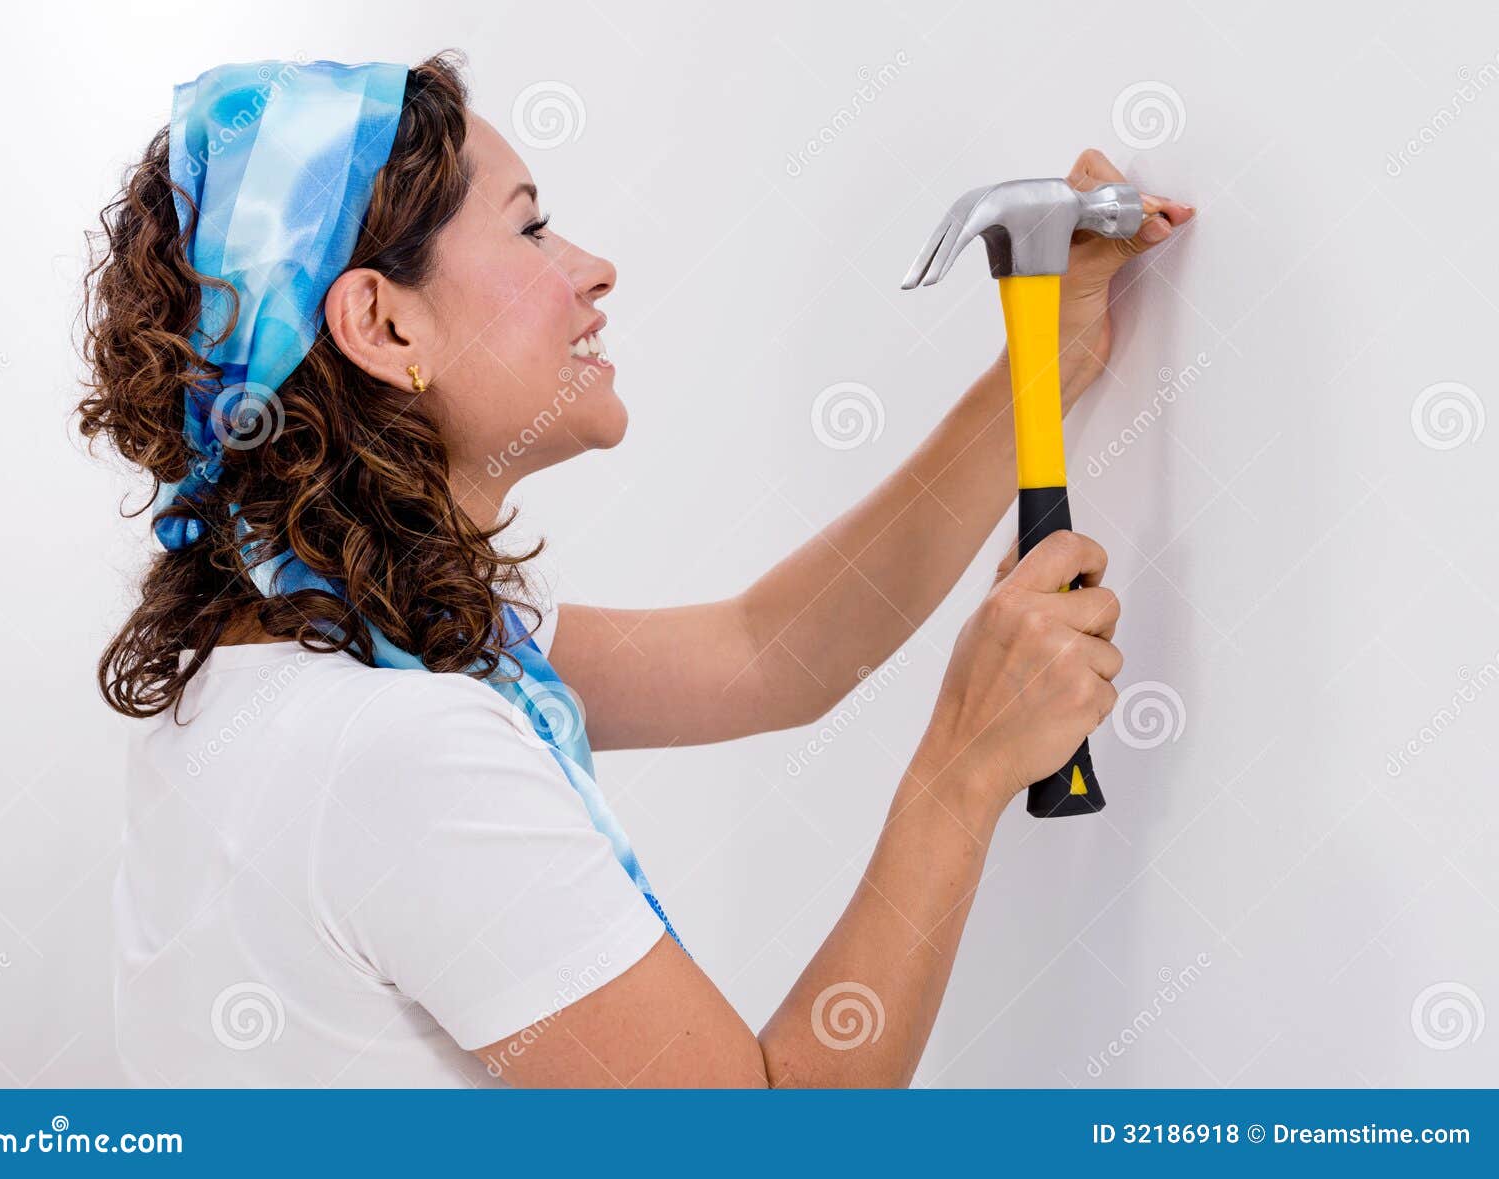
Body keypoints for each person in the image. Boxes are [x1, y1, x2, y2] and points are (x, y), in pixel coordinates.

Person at [78, 52, 1194, 1087]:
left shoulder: (310, 654)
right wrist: (965, 763)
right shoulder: (396, 749)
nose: (594, 270)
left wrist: (1044, 363)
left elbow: (769, 653)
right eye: (530, 230)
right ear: (381, 323)